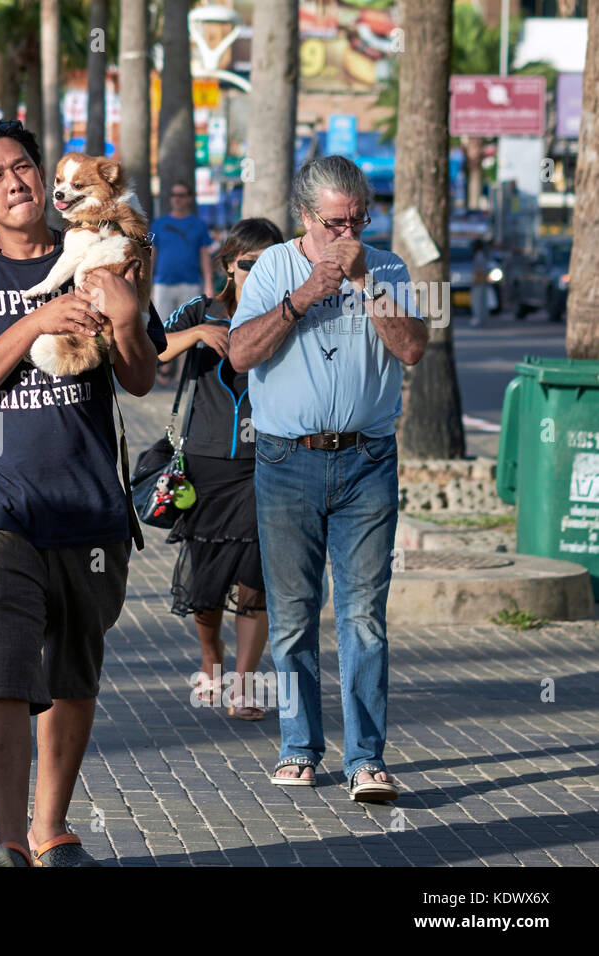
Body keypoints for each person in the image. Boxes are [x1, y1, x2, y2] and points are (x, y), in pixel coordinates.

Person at [0, 119, 164, 867]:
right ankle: (5, 845)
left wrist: (125, 320)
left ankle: (50, 830)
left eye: (23, 167)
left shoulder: (98, 256)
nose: (19, 183)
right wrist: (35, 323)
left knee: (72, 673)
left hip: (88, 502)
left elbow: (142, 376)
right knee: (3, 663)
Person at [228, 155, 428, 802]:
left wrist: (367, 283)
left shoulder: (387, 266)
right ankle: (299, 748)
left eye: (358, 220)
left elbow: (414, 348)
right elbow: (240, 352)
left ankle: (367, 757)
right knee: (291, 617)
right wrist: (304, 297)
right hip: (288, 462)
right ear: (306, 218)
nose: (348, 234)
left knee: (365, 617)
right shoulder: (272, 269)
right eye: (336, 223)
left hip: (367, 460)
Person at [155, 218, 284, 721]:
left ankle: (246, 684)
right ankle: (212, 662)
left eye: (270, 263)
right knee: (205, 582)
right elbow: (152, 350)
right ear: (229, 264)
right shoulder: (199, 310)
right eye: (249, 263)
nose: (258, 272)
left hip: (265, 461)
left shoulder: (286, 312)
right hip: (204, 461)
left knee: (256, 575)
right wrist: (198, 335)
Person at [150, 180, 214, 380]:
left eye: (181, 195)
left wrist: (209, 284)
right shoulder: (159, 224)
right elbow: (152, 255)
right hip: (162, 284)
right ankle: (162, 368)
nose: (177, 199)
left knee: (188, 329)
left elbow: (205, 256)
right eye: (174, 195)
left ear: (188, 198)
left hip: (190, 284)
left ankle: (181, 373)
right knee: (161, 329)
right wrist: (147, 285)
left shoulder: (199, 225)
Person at [470, 238, 489, 328]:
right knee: (481, 300)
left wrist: (474, 281)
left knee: (477, 300)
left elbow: (478, 270)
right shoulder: (483, 255)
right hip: (482, 281)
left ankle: (478, 317)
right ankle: (481, 317)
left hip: (479, 281)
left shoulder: (478, 255)